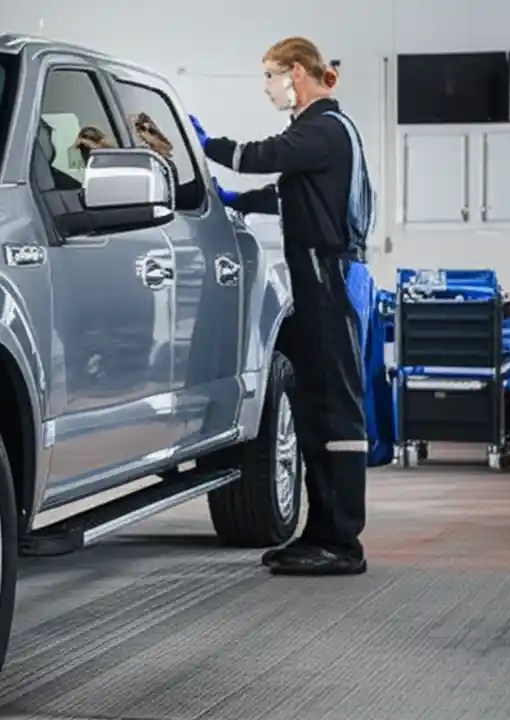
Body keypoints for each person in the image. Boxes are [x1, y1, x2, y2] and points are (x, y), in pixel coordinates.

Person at [191, 36, 374, 576]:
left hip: (329, 278)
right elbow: (284, 192)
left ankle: (342, 543)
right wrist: (230, 202)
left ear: (295, 73)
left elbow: (263, 157)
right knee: (318, 403)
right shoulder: (323, 133)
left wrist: (207, 144)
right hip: (323, 277)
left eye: (269, 76)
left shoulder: (322, 129)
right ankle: (323, 533)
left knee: (334, 409)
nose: (267, 87)